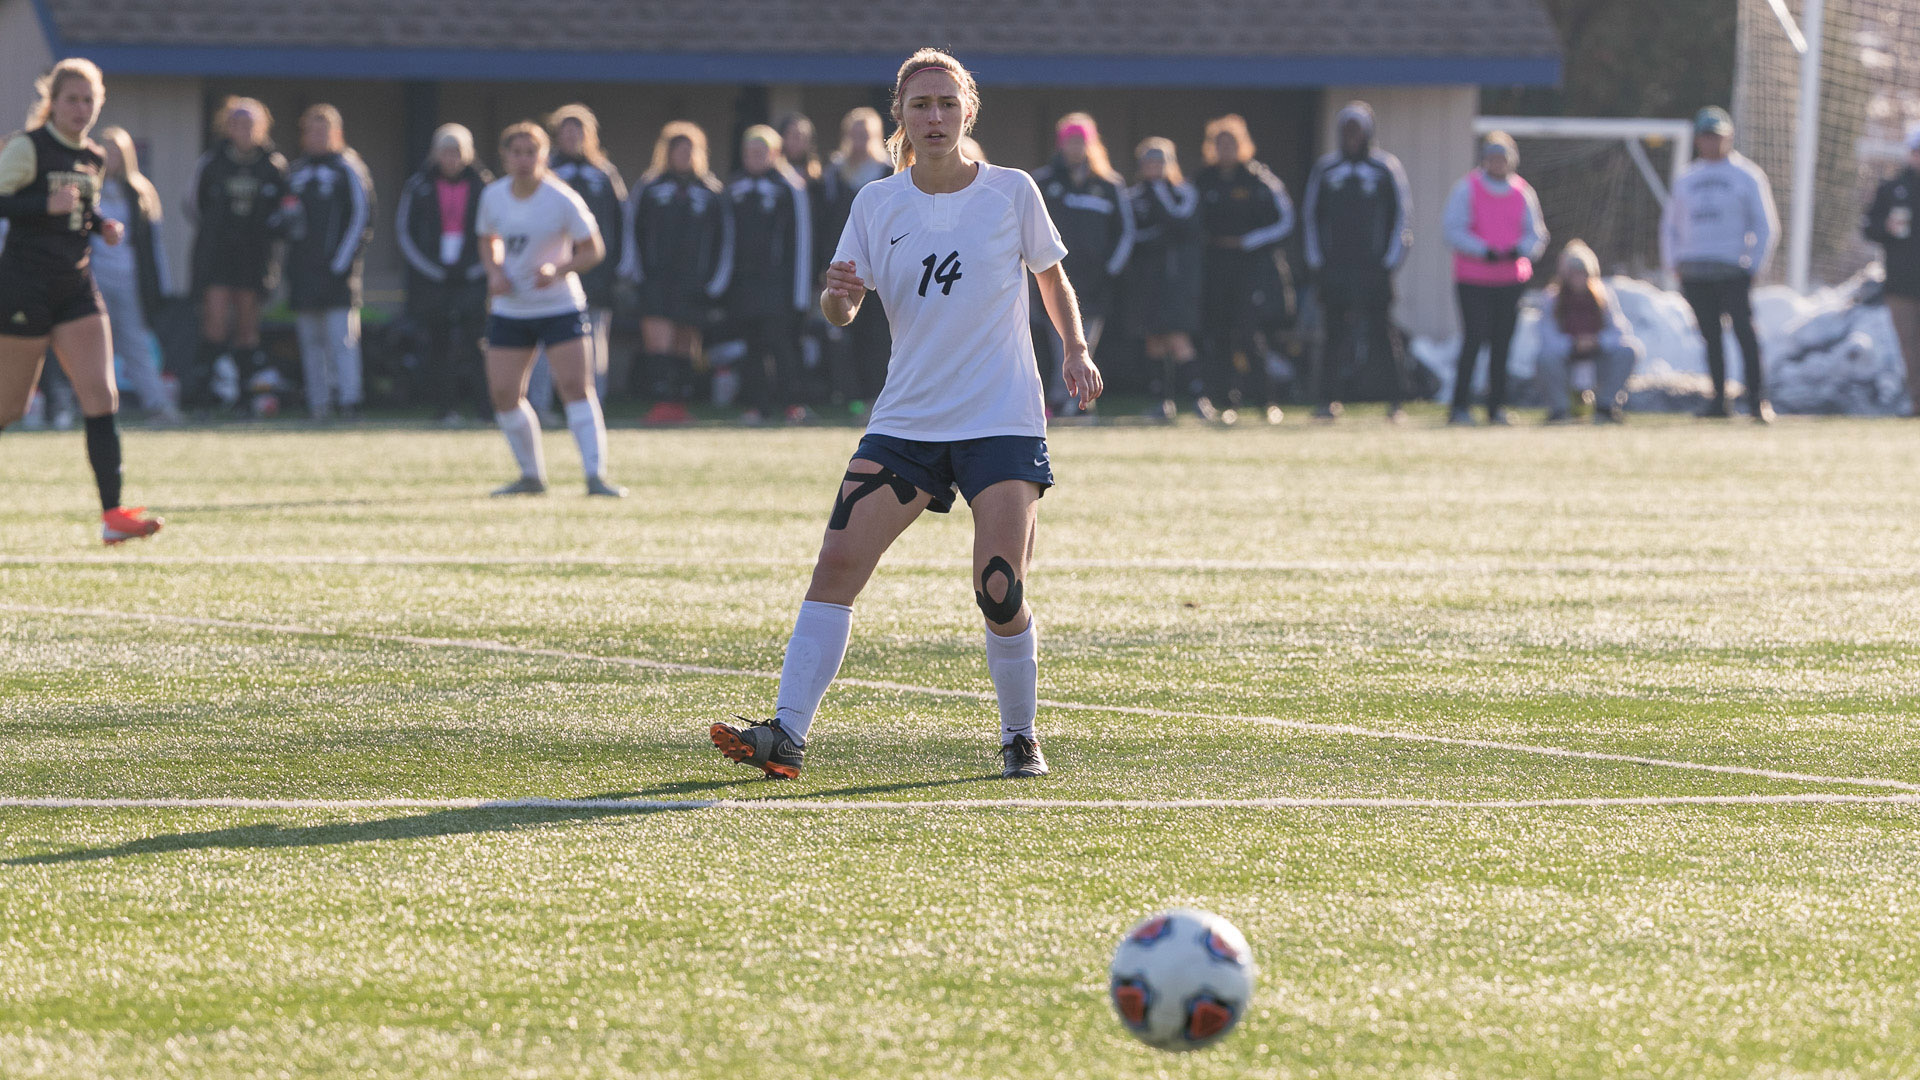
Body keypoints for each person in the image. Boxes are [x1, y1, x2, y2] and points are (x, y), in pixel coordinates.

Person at [708, 49, 1102, 781]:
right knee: (836, 564)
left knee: (999, 588)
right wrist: (837, 295)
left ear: (968, 111)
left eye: (948, 103)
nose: (935, 117)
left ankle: (1020, 735)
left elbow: (1052, 279)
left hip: (1001, 420)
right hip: (908, 421)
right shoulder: (876, 202)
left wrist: (1075, 350)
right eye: (921, 104)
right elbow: (842, 309)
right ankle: (786, 734)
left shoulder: (1012, 191)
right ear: (901, 115)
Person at [0, 59, 163, 543]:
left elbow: (81, 211)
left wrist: (101, 226)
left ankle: (113, 516)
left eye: (88, 100)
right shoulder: (28, 147)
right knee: (10, 408)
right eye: (71, 99)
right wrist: (40, 205)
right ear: (53, 103)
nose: (80, 108)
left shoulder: (94, 155)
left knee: (101, 394)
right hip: (25, 288)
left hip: (75, 288)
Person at [477, 121, 623, 498]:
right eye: (517, 152)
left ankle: (595, 476)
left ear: (544, 155)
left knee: (575, 387)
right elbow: (487, 238)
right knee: (504, 393)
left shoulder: (561, 198)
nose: (524, 160)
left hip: (559, 307)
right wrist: (495, 271)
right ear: (505, 157)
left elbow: (593, 249)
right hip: (511, 309)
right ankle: (531, 476)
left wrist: (558, 270)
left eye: (532, 152)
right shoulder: (493, 196)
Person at [1660, 106, 1778, 423]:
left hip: (1732, 269)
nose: (1712, 142)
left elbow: (1765, 225)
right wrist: (1674, 262)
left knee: (1744, 334)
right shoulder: (1687, 177)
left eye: (1717, 135)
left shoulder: (1747, 175)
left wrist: (1754, 265)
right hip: (1695, 270)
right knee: (1711, 337)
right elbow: (1670, 225)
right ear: (1698, 140)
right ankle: (1718, 400)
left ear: (1729, 137)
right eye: (1706, 136)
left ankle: (1757, 400)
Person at [1303, 101, 1413, 421]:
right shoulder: (1326, 169)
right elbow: (1310, 217)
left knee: (1382, 332)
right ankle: (1327, 400)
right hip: (1335, 269)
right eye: (1346, 130)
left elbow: (1403, 216)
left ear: (1368, 132)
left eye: (1357, 130)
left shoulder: (1385, 168)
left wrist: (1389, 262)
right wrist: (1318, 262)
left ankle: (1395, 401)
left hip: (1374, 268)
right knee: (1334, 334)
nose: (1352, 136)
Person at [185, 97, 286, 414]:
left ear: (262, 127)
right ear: (227, 127)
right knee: (215, 322)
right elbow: (193, 205)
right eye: (237, 123)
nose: (244, 130)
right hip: (217, 254)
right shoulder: (212, 162)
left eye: (250, 124)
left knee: (246, 326)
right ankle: (204, 395)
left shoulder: (272, 165)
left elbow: (284, 211)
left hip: (254, 256)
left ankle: (246, 395)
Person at [1194, 114, 1295, 424]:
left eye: (1231, 143)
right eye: (1220, 143)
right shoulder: (1203, 180)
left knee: (1249, 334)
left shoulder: (1258, 178)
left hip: (1250, 270)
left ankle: (1267, 401)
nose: (1225, 149)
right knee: (1219, 335)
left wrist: (1247, 241)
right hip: (1215, 268)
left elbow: (1286, 220)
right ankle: (1227, 402)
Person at [1030, 112, 1133, 415]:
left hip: (1095, 286)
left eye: (1081, 141)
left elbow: (1125, 232)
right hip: (1053, 281)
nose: (1075, 147)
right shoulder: (1043, 182)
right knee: (1059, 346)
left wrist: (1109, 270)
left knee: (1084, 346)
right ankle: (1064, 402)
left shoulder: (1109, 185)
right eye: (1070, 141)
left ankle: (1077, 403)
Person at [1445, 131, 1548, 426]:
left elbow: (1537, 235)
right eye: (1492, 158)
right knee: (1473, 340)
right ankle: (1459, 406)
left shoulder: (1522, 192)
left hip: (1509, 281)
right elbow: (1452, 229)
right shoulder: (1467, 188)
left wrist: (1518, 250)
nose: (1497, 163)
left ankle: (1496, 407)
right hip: (1473, 280)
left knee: (1502, 345)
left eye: (1502, 158)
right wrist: (1483, 250)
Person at [622, 121, 728, 405]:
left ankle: (681, 405)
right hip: (656, 281)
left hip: (694, 284)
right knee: (658, 343)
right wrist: (636, 274)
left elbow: (724, 241)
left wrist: (714, 284)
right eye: (678, 149)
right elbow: (632, 230)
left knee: (686, 346)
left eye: (689, 149)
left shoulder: (711, 192)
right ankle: (658, 405)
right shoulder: (649, 187)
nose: (684, 154)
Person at [283, 104, 374, 420]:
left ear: (337, 134)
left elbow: (362, 217)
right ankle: (318, 404)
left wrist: (340, 264)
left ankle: (349, 401)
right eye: (311, 131)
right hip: (303, 272)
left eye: (323, 131)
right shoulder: (295, 171)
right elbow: (283, 217)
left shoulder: (348, 168)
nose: (317, 137)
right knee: (310, 342)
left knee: (342, 340)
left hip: (338, 273)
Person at [396, 123, 492, 424]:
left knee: (477, 344)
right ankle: (445, 408)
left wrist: (474, 269)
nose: (451, 159)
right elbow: (405, 233)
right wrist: (435, 271)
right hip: (433, 281)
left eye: (457, 152)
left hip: (472, 279)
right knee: (439, 345)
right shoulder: (418, 185)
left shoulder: (484, 185)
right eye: (445, 152)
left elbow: (496, 232)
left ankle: (485, 409)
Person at [718, 125, 812, 423]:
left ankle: (792, 404)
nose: (755, 157)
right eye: (750, 152)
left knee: (781, 344)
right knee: (751, 346)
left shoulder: (789, 187)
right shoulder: (733, 189)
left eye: (762, 152)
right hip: (744, 285)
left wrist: (800, 293)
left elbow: (801, 241)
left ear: (774, 153)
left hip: (779, 286)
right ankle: (756, 406)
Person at [536, 104, 626, 407]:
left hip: (596, 273)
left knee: (594, 342)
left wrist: (617, 267)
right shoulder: (545, 171)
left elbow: (620, 222)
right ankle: (542, 406)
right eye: (566, 130)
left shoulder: (604, 173)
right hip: (552, 273)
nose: (572, 136)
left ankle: (593, 404)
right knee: (545, 340)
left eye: (578, 130)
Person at [92, 125, 181, 424]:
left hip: (130, 278)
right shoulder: (88, 189)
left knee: (136, 342)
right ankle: (94, 406)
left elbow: (153, 244)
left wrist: (161, 285)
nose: (111, 158)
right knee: (94, 342)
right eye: (106, 152)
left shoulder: (140, 191)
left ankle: (158, 405)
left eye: (116, 153)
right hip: (95, 276)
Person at [819, 107, 893, 405]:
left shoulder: (890, 173)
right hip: (848, 263)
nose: (860, 141)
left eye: (866, 135)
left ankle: (879, 395)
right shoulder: (834, 175)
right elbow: (825, 224)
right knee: (850, 333)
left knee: (880, 333)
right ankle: (854, 397)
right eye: (855, 135)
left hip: (883, 265)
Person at [1128, 136, 1205, 419]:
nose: (1154, 166)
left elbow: (1179, 224)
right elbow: (1132, 235)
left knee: (1178, 338)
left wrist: (1158, 190)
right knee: (1154, 340)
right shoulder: (1133, 197)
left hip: (1177, 281)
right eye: (1149, 161)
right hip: (1147, 280)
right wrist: (1154, 236)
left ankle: (1199, 399)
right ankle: (1161, 402)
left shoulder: (1185, 193)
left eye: (1160, 161)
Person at [1536, 241, 1642, 424]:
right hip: (1566, 361)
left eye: (1582, 273)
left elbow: (1620, 332)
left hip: (1598, 358)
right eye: (1573, 273)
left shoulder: (1603, 298)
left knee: (1629, 350)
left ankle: (1605, 407)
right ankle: (1560, 409)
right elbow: (1547, 337)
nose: (1578, 278)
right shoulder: (1552, 299)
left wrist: (1596, 341)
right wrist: (1573, 344)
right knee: (1545, 358)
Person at [1864, 121, 1920, 416]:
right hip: (1901, 283)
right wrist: (1885, 227)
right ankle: (1917, 401)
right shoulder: (1892, 188)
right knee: (1909, 346)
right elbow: (1869, 227)